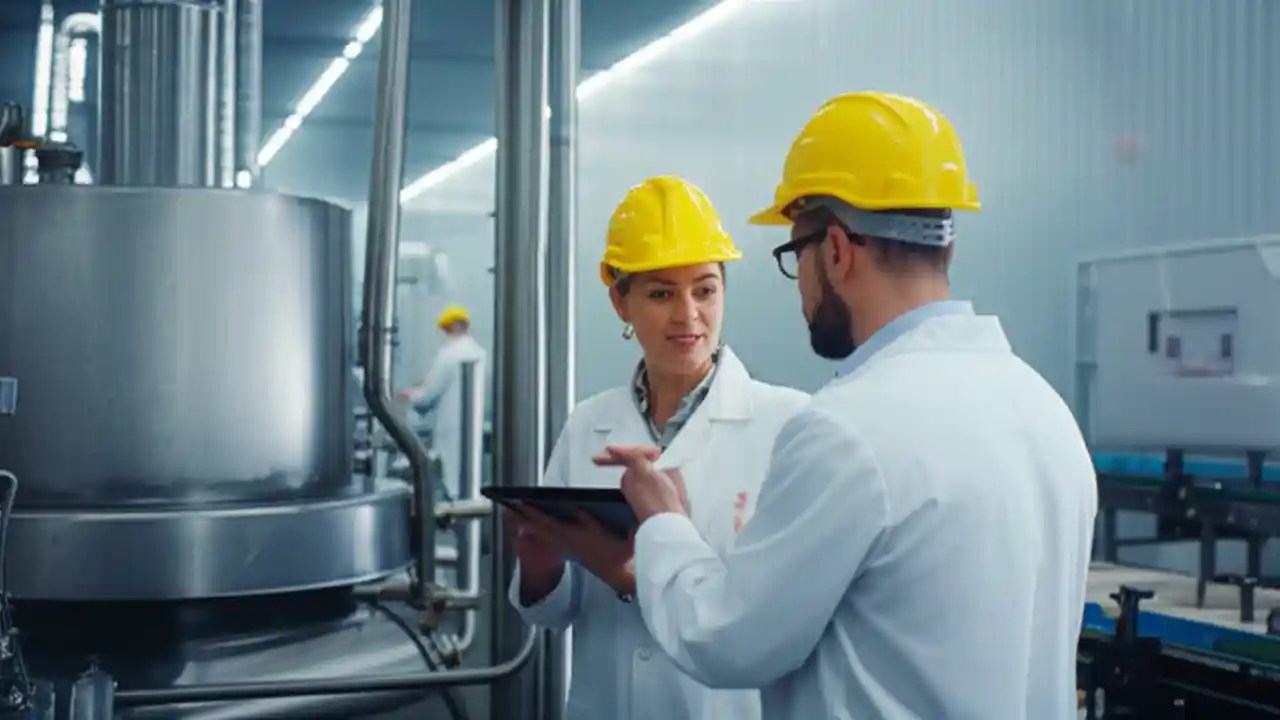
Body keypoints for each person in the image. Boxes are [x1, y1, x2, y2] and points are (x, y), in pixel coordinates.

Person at [597, 92, 1099, 719]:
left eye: (796, 257)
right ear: (946, 247)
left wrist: (663, 522)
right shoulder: (1045, 411)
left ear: (835, 250)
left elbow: (724, 640)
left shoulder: (848, 431)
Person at [505, 175, 810, 720]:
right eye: (661, 293)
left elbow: (783, 615)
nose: (688, 314)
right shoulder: (589, 424)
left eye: (705, 290)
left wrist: (629, 574)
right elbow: (552, 614)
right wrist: (539, 565)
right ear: (620, 302)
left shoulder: (789, 425)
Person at [397, 304, 487, 501]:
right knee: (470, 481)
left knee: (452, 483)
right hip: (473, 428)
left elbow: (428, 396)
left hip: (450, 431)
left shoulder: (448, 355)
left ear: (448, 328)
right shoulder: (480, 353)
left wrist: (409, 395)